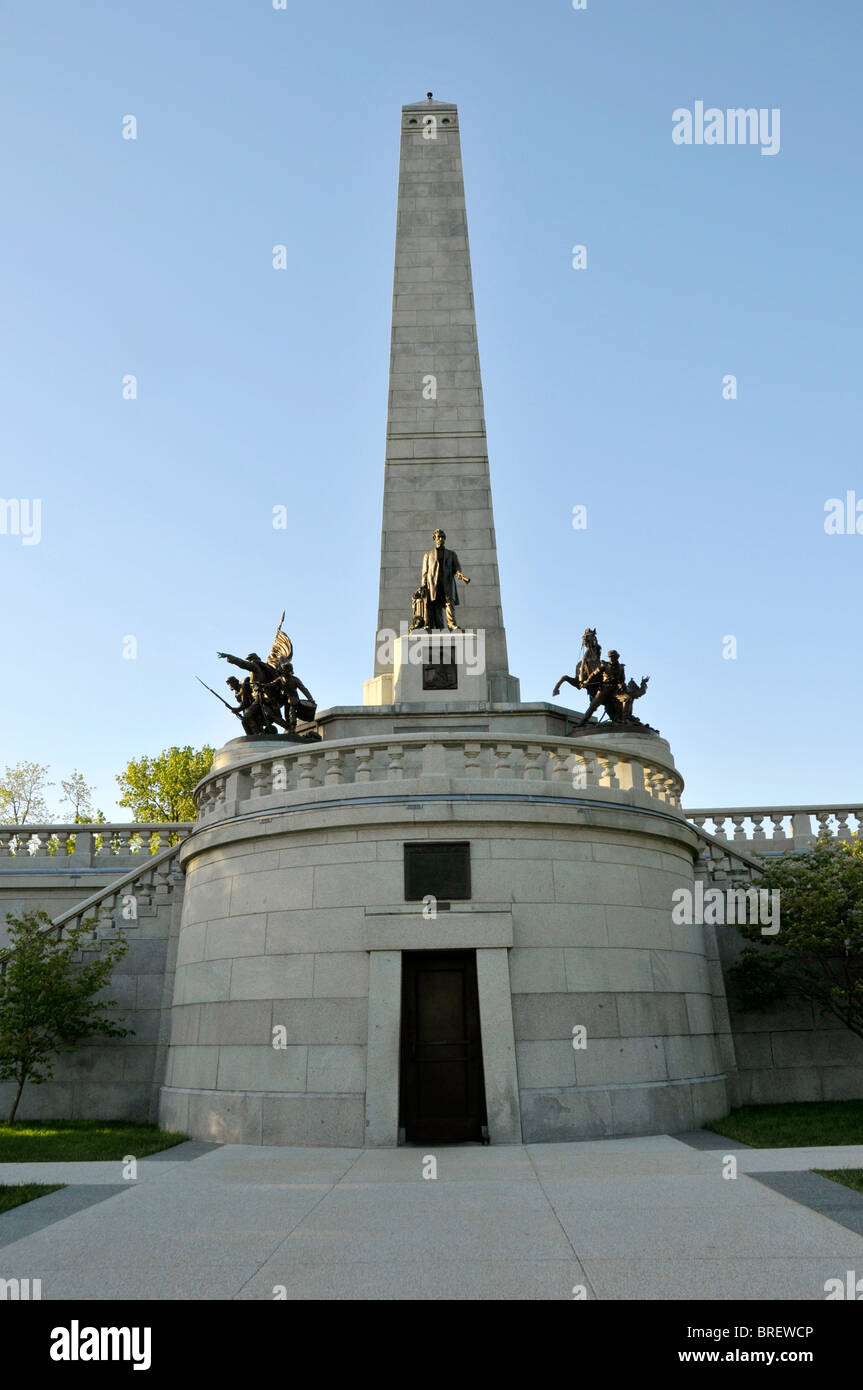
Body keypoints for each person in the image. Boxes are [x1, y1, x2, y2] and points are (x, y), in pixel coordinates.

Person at [420, 528, 471, 631]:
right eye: (439, 537)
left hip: (447, 582)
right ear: (434, 538)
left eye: (443, 537)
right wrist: (423, 585)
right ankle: (440, 627)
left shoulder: (451, 554)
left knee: (449, 603)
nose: (441, 539)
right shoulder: (428, 555)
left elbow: (457, 567)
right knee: (436, 605)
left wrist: (458, 573)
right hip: (433, 583)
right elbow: (425, 572)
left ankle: (452, 625)